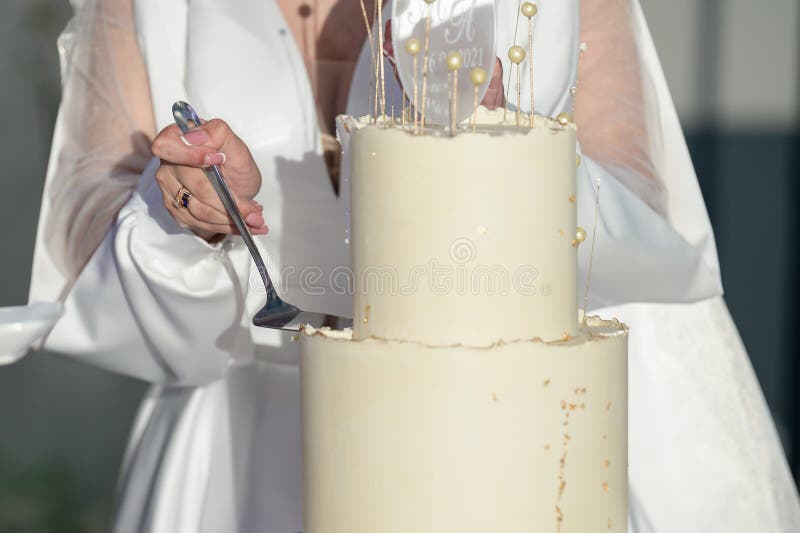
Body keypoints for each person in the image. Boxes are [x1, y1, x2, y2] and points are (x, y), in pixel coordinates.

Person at [27, 0, 799, 531]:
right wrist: (181, 211)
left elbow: (637, 199)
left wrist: (506, 154)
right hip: (246, 438)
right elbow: (88, 224)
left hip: (531, 420)